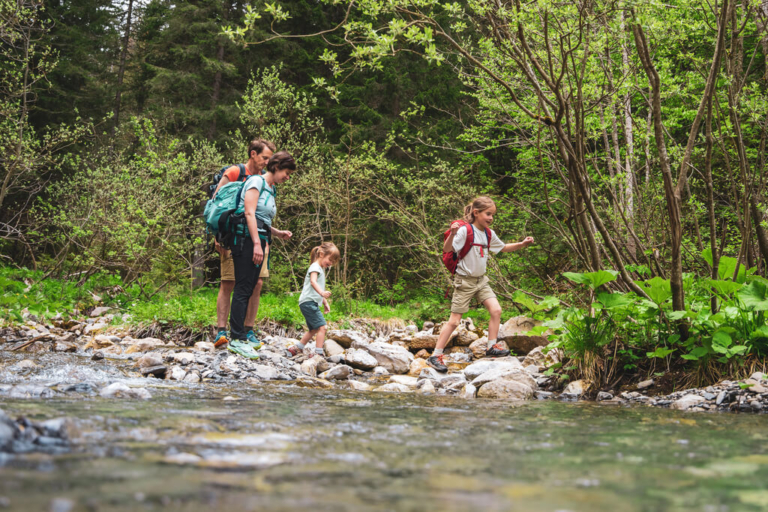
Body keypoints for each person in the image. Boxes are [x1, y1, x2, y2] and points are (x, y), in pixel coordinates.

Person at [427, 196, 534, 372]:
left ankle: (491, 347)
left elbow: (503, 247)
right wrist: (453, 234)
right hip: (464, 281)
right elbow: (447, 249)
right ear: (476, 213)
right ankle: (435, 355)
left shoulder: (488, 233)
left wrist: (522, 244)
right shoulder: (465, 231)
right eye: (488, 214)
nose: (491, 218)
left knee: (496, 310)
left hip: (481, 280)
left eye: (493, 215)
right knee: (454, 322)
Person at [228, 151, 295, 357]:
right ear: (276, 167)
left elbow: (261, 218)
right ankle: (237, 339)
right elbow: (248, 212)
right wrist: (257, 244)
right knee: (243, 287)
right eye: (286, 172)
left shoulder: (271, 189)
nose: (287, 177)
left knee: (249, 287)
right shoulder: (256, 182)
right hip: (246, 239)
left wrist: (276, 232)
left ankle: (241, 336)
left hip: (259, 238)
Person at [212, 139, 275, 349]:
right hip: (233, 238)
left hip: (257, 239)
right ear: (253, 154)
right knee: (229, 282)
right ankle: (222, 331)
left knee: (256, 284)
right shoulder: (234, 172)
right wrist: (217, 236)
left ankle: (248, 329)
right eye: (265, 157)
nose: (267, 162)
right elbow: (217, 204)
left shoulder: (264, 180)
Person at [287, 242, 341, 358]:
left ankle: (296, 348)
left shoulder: (320, 268)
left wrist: (324, 302)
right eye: (330, 260)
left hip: (309, 302)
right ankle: (318, 353)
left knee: (314, 328)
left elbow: (318, 288)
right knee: (323, 327)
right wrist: (322, 293)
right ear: (321, 254)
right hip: (308, 302)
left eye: (333, 262)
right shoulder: (315, 267)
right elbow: (313, 282)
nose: (330, 263)